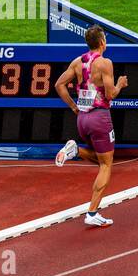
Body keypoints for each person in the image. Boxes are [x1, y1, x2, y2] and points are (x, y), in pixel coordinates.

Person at [53, 24, 129, 227]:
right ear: (102, 42)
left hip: (82, 119)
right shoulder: (105, 63)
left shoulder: (78, 62)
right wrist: (120, 84)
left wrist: (73, 107)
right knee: (106, 165)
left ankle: (76, 150)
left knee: (102, 160)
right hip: (100, 118)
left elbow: (59, 84)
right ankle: (92, 212)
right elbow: (111, 94)